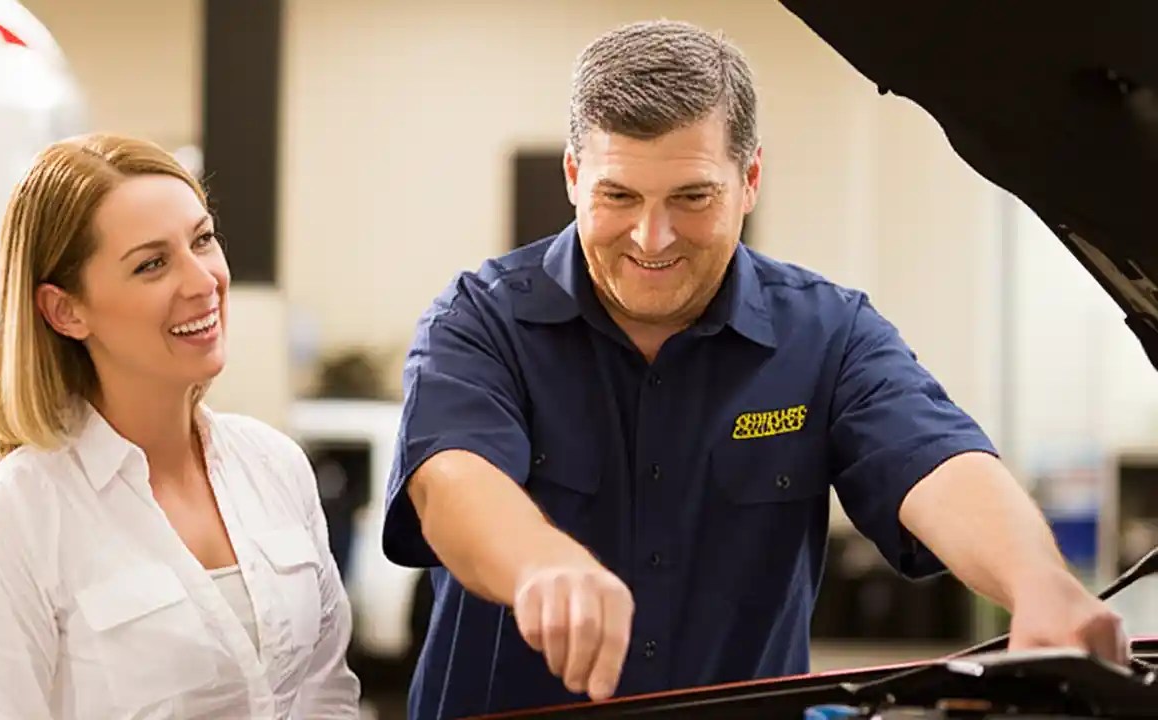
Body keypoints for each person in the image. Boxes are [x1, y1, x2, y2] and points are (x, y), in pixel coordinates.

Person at [382, 19, 1131, 719]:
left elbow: (934, 462)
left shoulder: (828, 333)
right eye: (619, 196)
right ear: (575, 176)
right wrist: (537, 562)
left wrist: (1038, 584)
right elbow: (452, 482)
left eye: (692, 196)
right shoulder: (479, 319)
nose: (652, 236)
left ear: (750, 179)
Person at [0, 134, 361, 719]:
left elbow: (325, 695)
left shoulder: (274, 465)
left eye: (202, 240)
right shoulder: (16, 515)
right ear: (65, 310)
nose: (202, 281)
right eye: (152, 264)